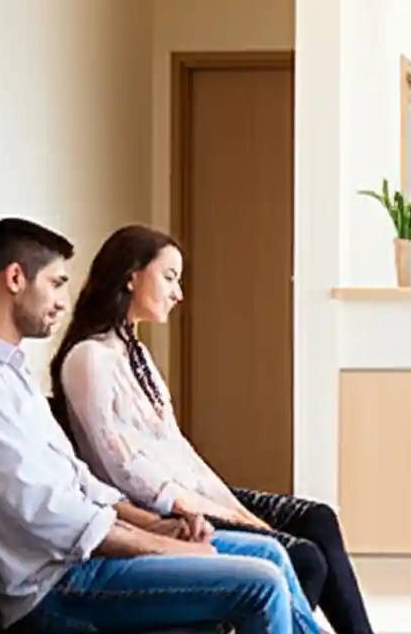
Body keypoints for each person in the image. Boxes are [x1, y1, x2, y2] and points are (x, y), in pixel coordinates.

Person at [0, 218, 319, 634]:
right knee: (260, 584)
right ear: (15, 278)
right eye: (56, 283)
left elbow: (79, 481)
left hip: (86, 559)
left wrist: (157, 525)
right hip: (57, 584)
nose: (64, 302)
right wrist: (165, 546)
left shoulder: (9, 372)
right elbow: (50, 515)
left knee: (270, 555)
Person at [49, 224, 374, 634]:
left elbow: (179, 451)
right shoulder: (89, 359)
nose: (178, 293)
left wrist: (234, 508)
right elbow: (121, 468)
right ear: (131, 276)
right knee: (304, 558)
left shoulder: (138, 355)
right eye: (169, 277)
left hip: (191, 494)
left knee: (318, 519)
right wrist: (215, 511)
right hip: (158, 508)